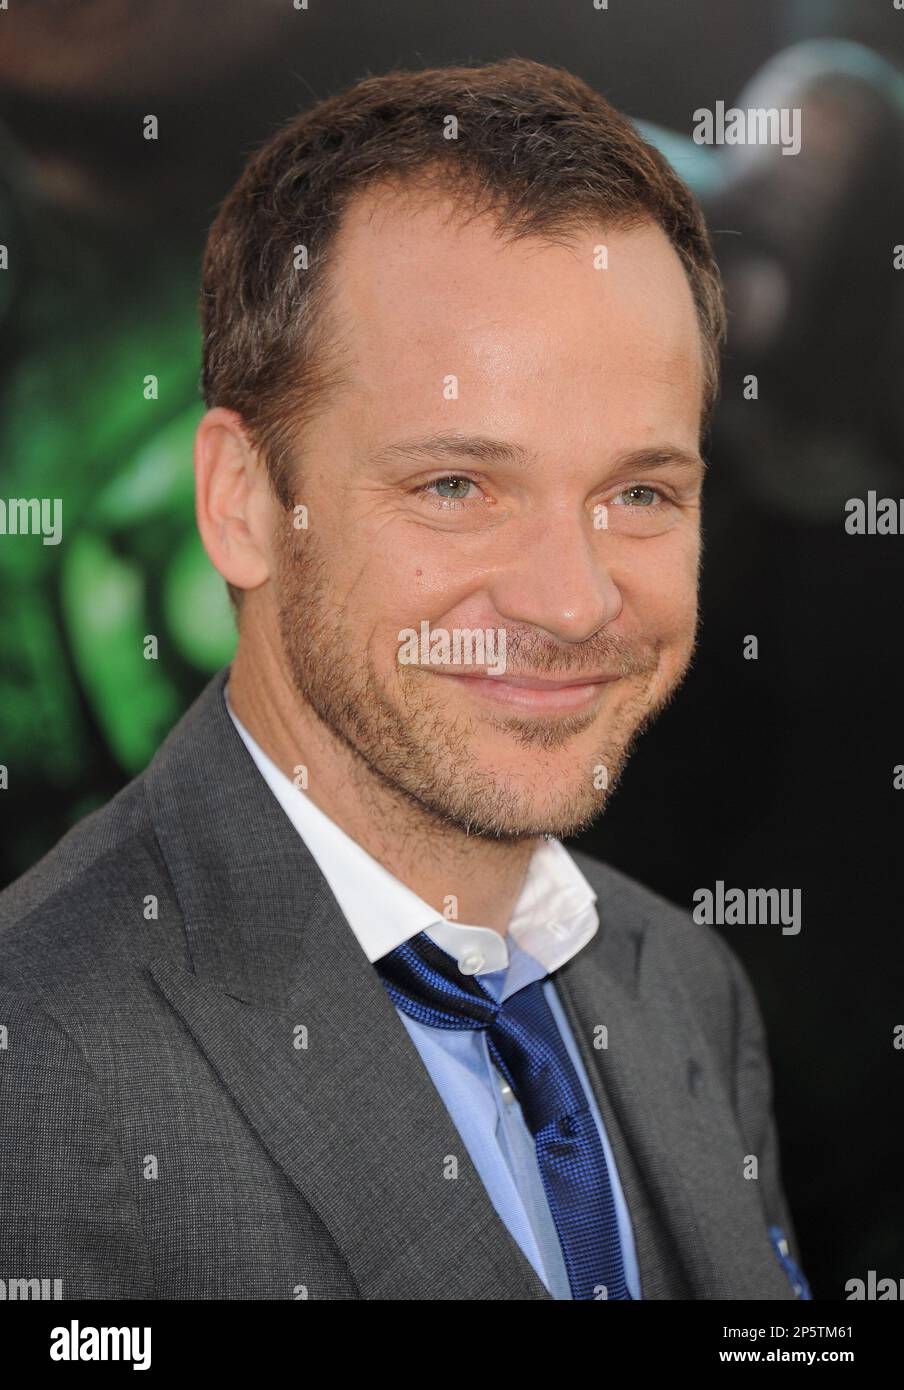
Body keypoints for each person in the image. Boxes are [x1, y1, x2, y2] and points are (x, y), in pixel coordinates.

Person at [0, 57, 810, 1300]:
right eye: (454, 486)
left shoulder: (686, 990)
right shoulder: (35, 1066)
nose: (574, 599)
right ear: (244, 504)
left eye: (638, 492)